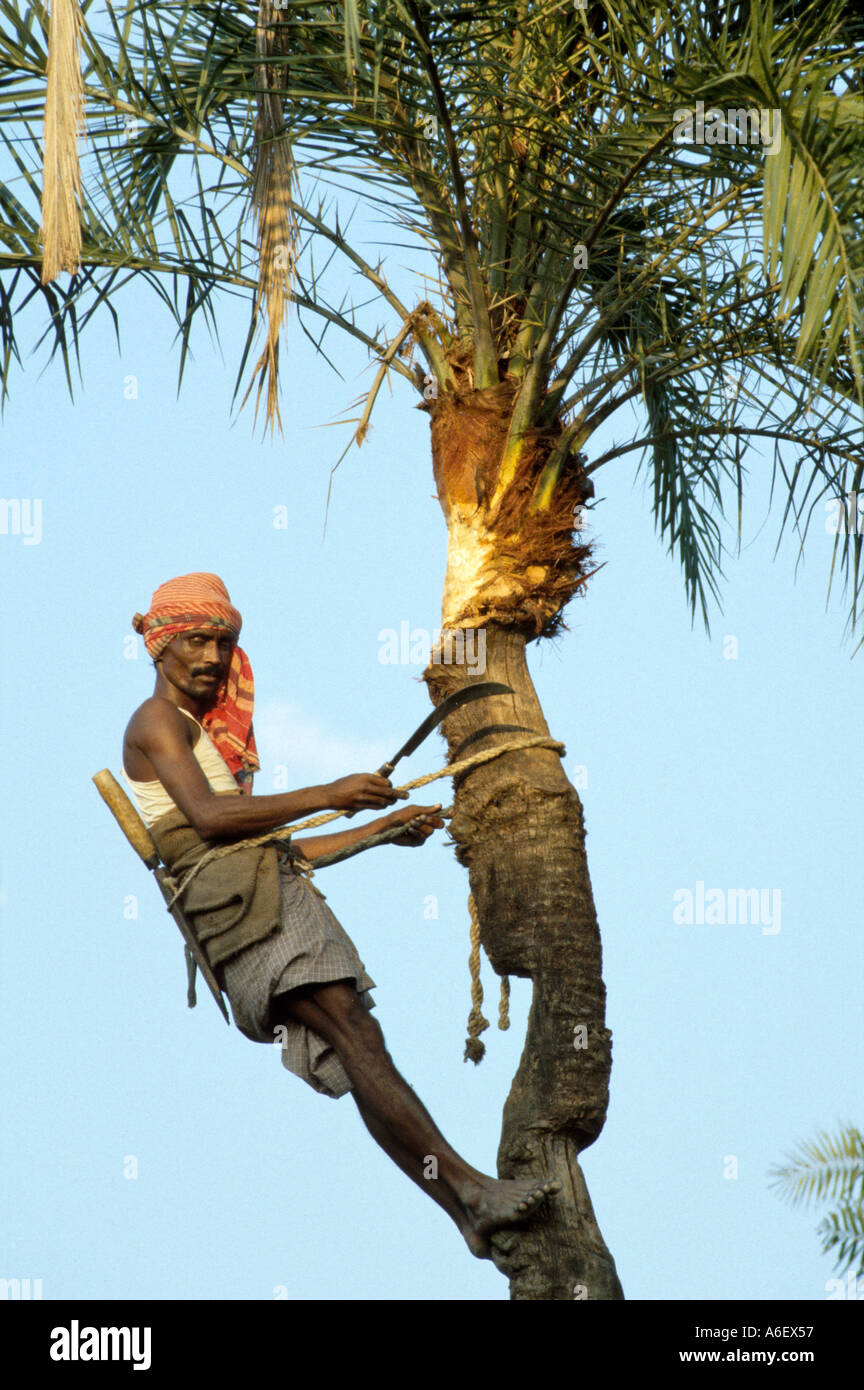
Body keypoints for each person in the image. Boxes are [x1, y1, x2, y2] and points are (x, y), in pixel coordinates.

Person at [121, 572, 559, 1258]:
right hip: (248, 917)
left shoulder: (199, 739)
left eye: (224, 642)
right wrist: (330, 789)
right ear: (161, 645)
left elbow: (275, 847)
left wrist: (380, 829)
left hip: (263, 899)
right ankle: (472, 1191)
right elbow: (210, 819)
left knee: (362, 1052)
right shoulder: (155, 723)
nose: (212, 656)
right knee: (358, 1040)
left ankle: (468, 1213)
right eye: (197, 641)